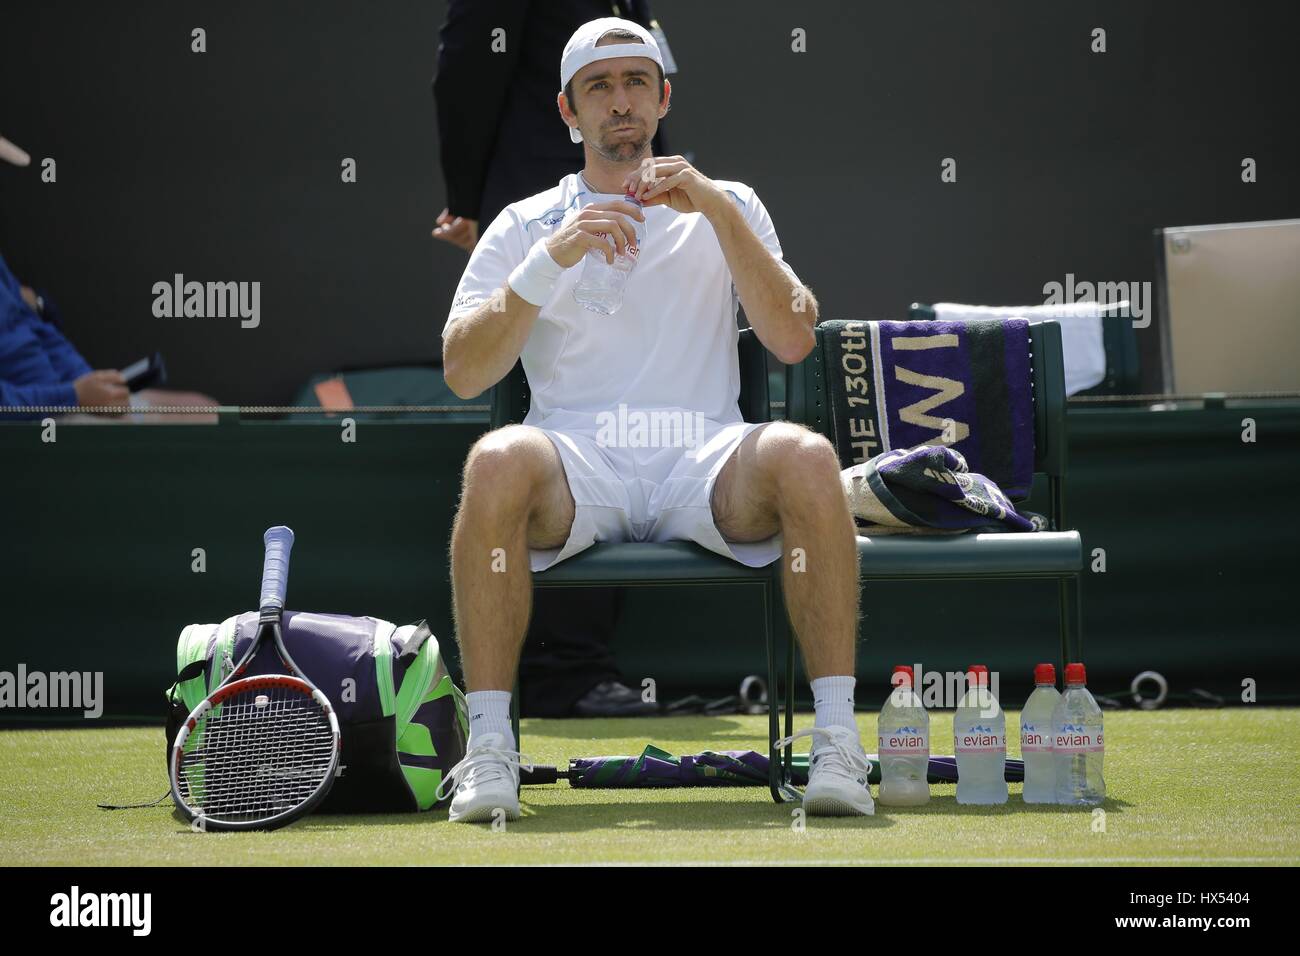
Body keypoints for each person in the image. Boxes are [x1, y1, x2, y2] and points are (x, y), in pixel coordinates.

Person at [437, 18, 870, 822]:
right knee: (493, 459)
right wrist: (549, 260)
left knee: (809, 457)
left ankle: (838, 742)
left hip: (702, 460)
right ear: (568, 113)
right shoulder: (526, 223)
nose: (620, 102)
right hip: (576, 462)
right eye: (598, 88)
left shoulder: (730, 202)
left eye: (636, 82)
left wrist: (711, 206)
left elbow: (793, 335)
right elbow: (464, 371)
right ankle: (491, 750)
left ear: (663, 97)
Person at [432, 0, 675, 719]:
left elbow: (644, 78)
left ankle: (579, 663)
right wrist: (467, 198)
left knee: (633, 400)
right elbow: (467, 69)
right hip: (542, 195)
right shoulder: (528, 207)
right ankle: (553, 671)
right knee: (544, 427)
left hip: (632, 192)